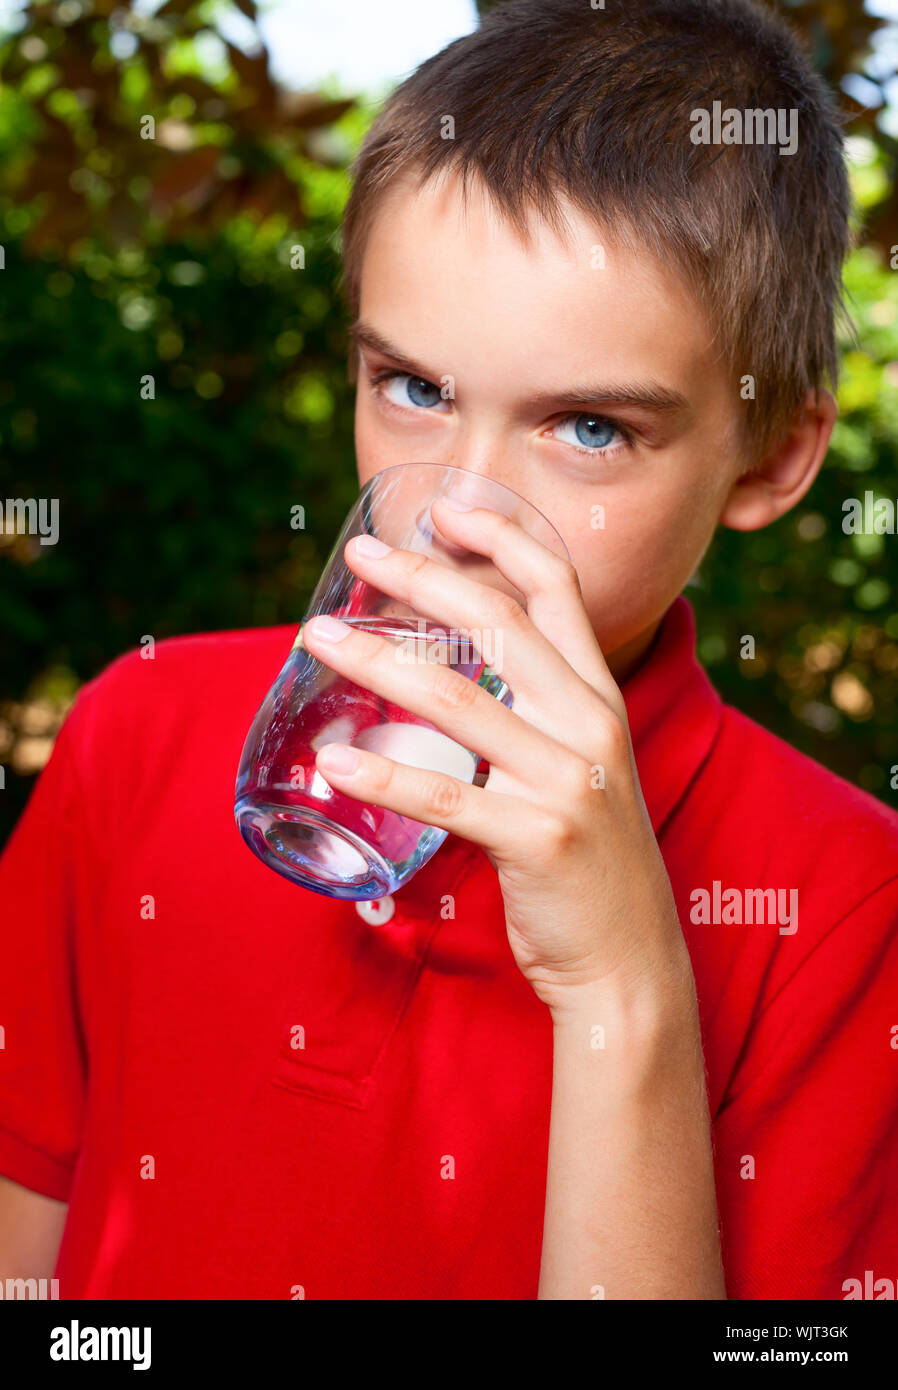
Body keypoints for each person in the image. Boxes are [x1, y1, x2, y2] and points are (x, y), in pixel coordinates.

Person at [1, 0, 896, 1300]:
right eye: (412, 389)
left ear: (768, 455)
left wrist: (617, 989)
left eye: (586, 426)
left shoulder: (844, 908)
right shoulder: (139, 731)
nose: (460, 514)